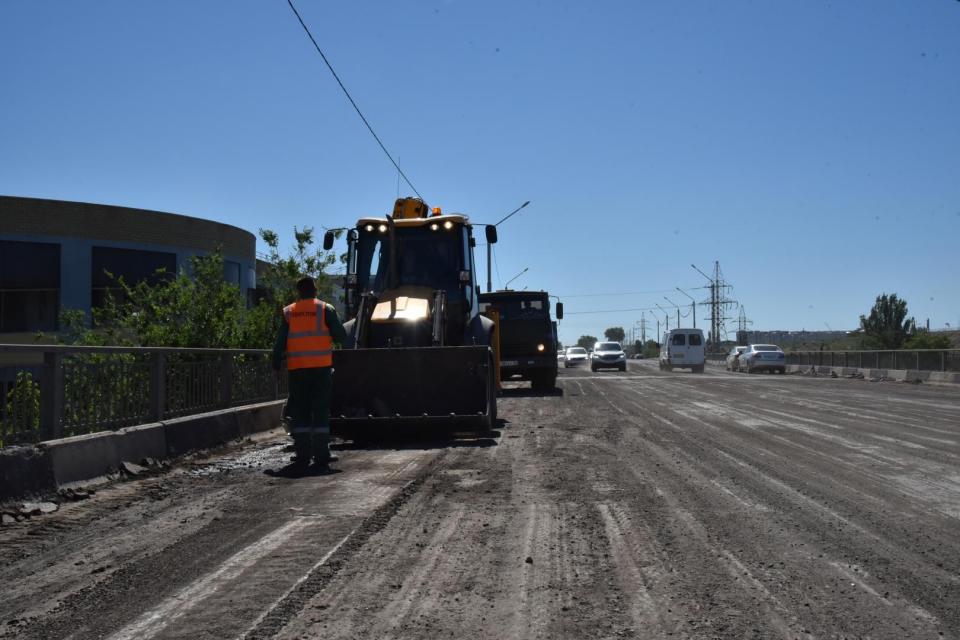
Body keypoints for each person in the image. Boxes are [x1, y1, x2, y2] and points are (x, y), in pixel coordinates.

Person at [272, 277, 347, 471]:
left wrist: (275, 361)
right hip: (321, 369)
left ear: (298, 291)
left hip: (297, 370)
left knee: (300, 412)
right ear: (315, 290)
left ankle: (302, 454)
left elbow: (280, 342)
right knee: (320, 411)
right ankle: (322, 455)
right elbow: (341, 336)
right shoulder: (325, 309)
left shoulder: (289, 312)